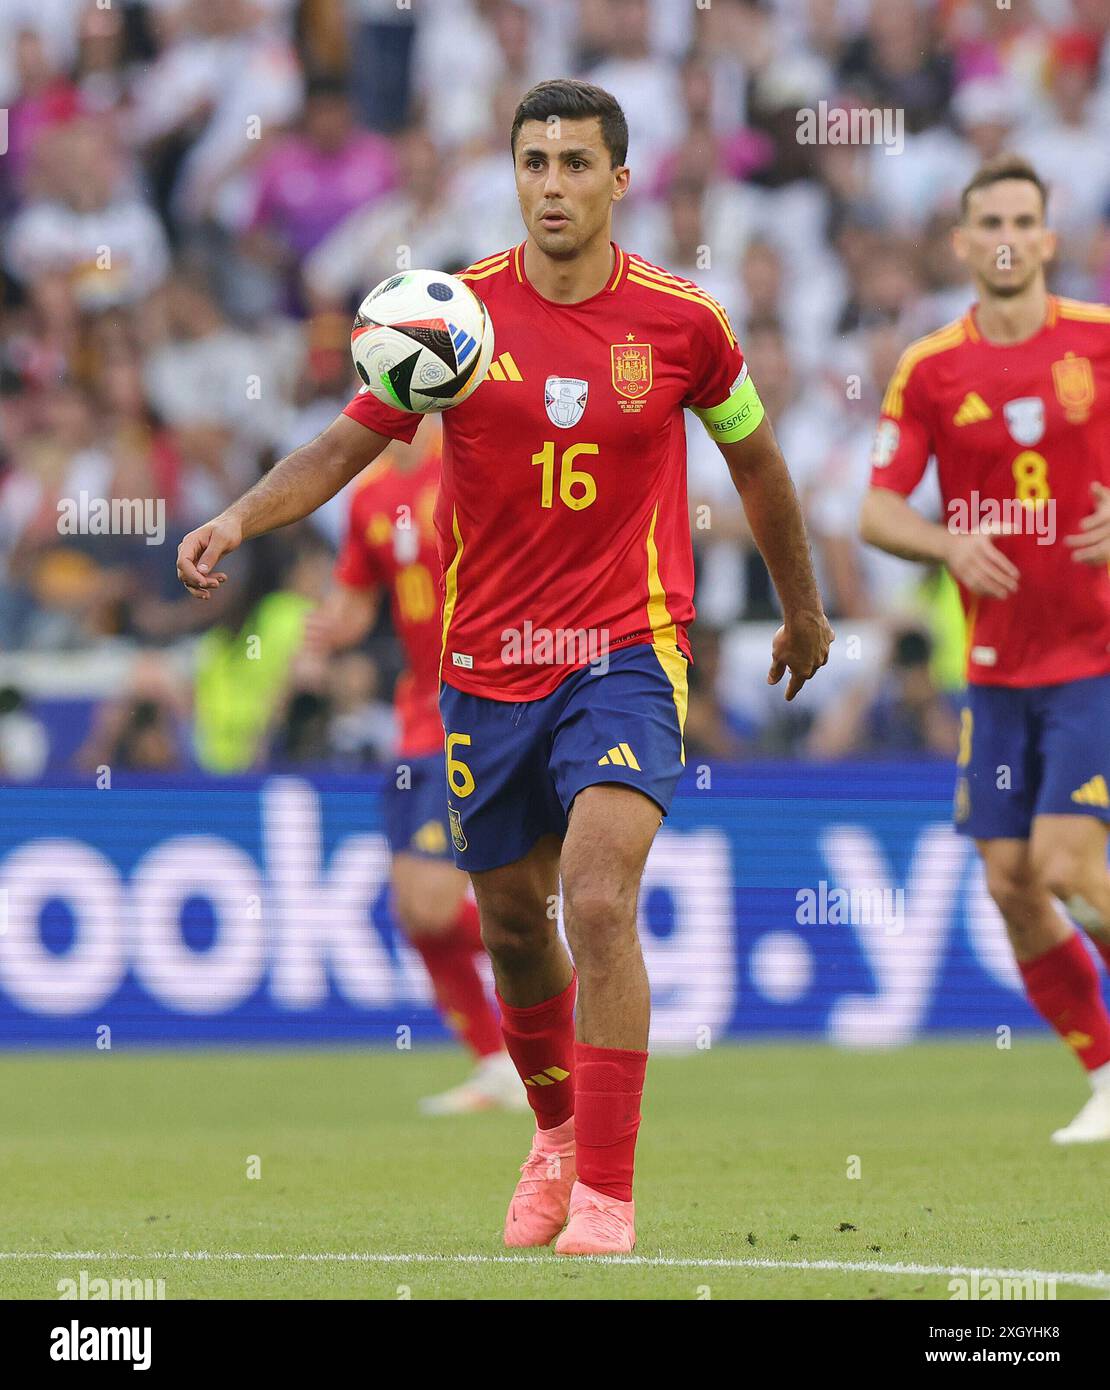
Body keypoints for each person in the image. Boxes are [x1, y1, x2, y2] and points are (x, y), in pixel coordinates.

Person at [178, 79, 832, 1255]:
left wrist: (803, 612)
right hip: (486, 667)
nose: (553, 185)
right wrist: (238, 517)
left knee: (594, 897)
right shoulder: (453, 318)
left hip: (627, 651)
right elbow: (341, 445)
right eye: (534, 162)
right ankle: (556, 1132)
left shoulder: (685, 324)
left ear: (619, 182)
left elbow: (763, 468)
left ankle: (609, 1199)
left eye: (576, 164)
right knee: (516, 928)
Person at [861, 153, 1110, 1144]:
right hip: (998, 675)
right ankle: (1104, 1071)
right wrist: (945, 539)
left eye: (1023, 217)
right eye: (987, 220)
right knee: (1011, 881)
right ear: (962, 244)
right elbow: (879, 507)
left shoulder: (1098, 342)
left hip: (1096, 657)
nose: (1006, 234)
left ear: (1048, 239)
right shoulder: (931, 368)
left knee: (1061, 859)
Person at [304, 422, 522, 1115]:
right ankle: (499, 1067)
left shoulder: (471, 458)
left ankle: (551, 964)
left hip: (485, 705)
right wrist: (332, 628)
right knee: (415, 914)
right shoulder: (367, 495)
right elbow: (360, 598)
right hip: (417, 717)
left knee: (431, 903)